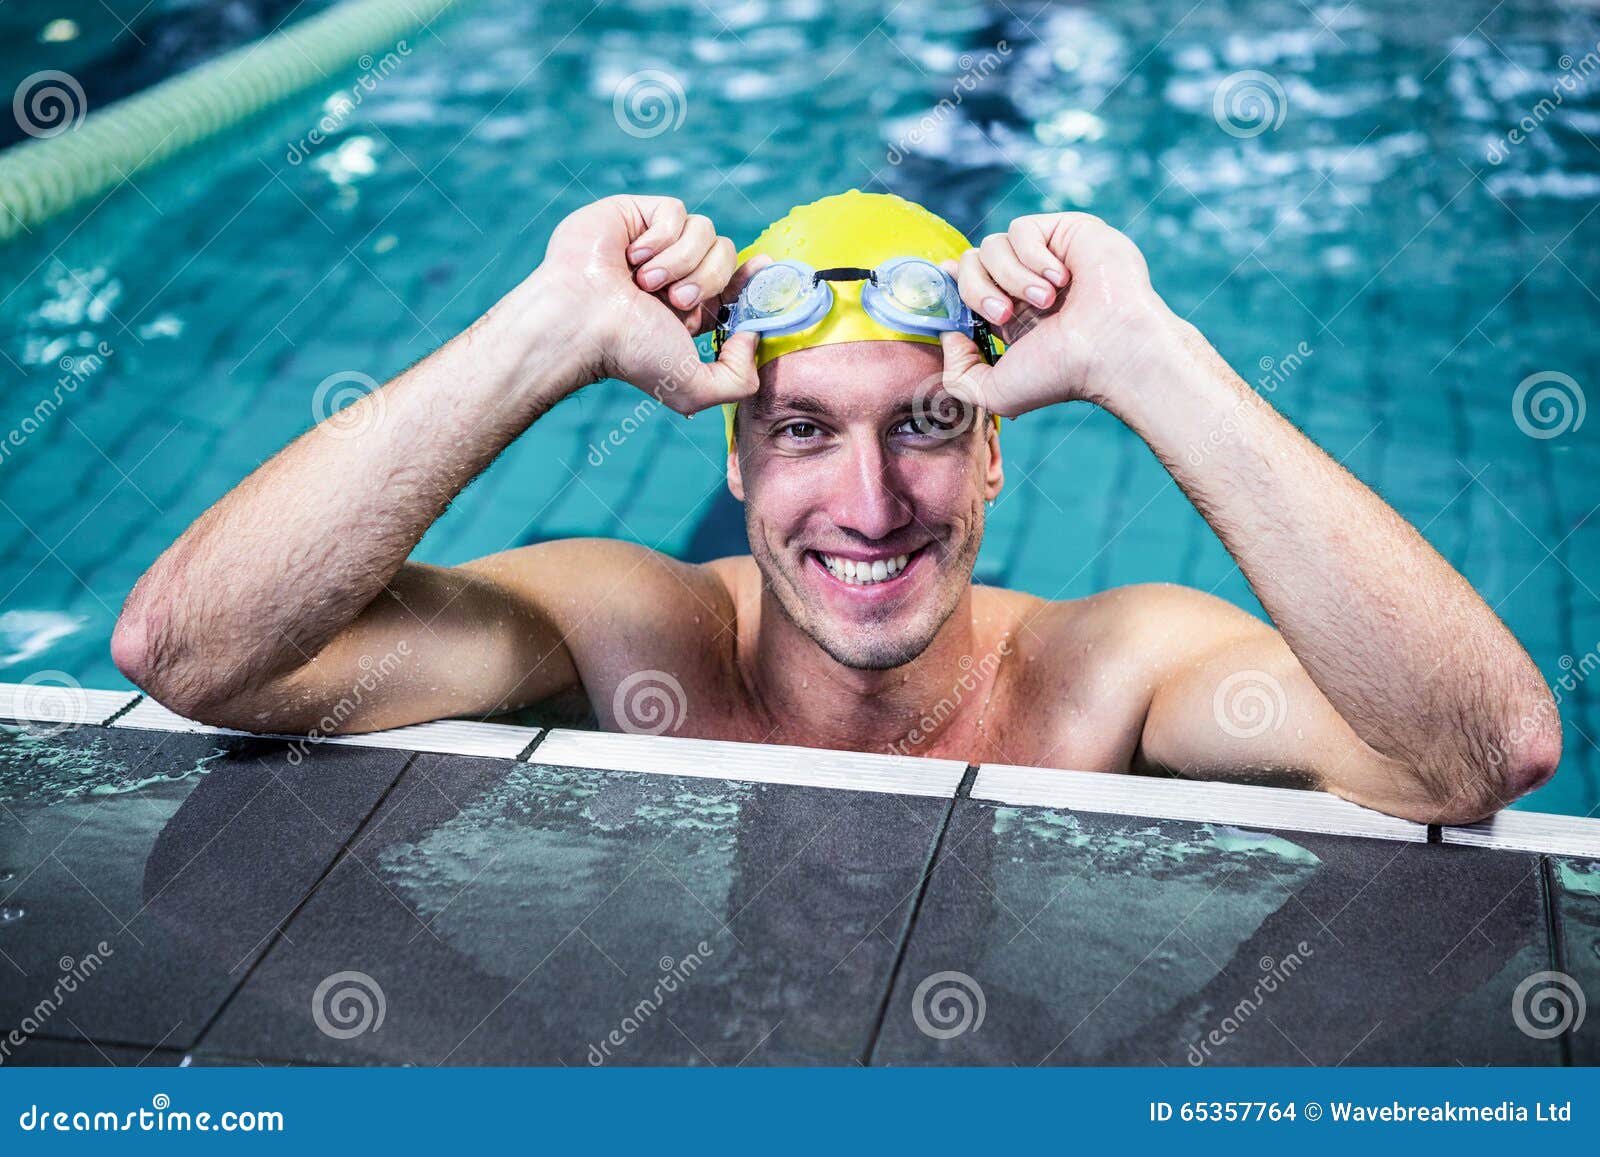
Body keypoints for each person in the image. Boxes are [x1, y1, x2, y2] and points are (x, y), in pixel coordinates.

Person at [111, 190, 1560, 824]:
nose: (868, 504)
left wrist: (1149, 358)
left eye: (928, 425)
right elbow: (192, 653)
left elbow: (1482, 747)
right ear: (734, 463)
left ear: (996, 453)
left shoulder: (1110, 675)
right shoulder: (634, 640)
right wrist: (542, 329)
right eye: (802, 430)